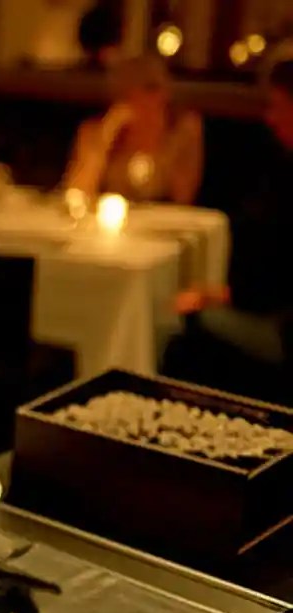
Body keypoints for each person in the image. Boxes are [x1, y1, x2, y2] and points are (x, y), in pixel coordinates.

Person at [168, 60, 293, 391]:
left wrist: (219, 295)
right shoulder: (282, 167)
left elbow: (278, 276)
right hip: (270, 310)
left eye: (279, 107)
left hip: (283, 335)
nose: (270, 117)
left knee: (177, 324)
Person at [64, 56, 203, 204]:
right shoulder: (95, 131)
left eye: (155, 92)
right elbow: (77, 195)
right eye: (140, 95)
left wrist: (159, 147)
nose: (150, 103)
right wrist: (105, 137)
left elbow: (183, 198)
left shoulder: (182, 130)